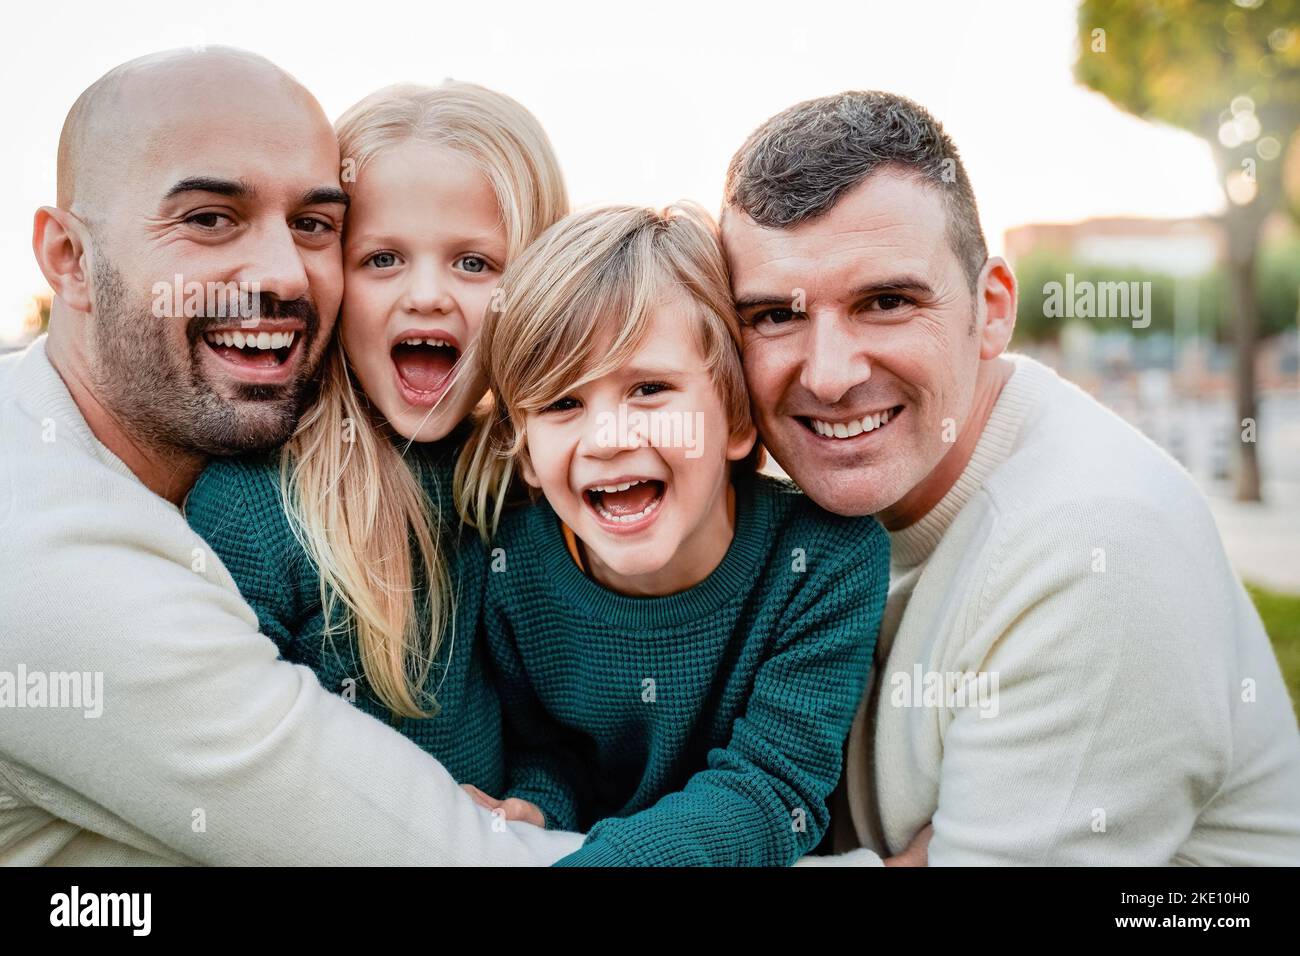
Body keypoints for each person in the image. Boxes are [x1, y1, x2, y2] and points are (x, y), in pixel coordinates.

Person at [0, 47, 581, 865]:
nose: (284, 276)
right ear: (69, 259)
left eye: (313, 226)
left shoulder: (493, 483)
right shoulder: (46, 567)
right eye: (208, 217)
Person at [720, 90, 1300, 865]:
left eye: (887, 302)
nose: (828, 376)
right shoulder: (777, 524)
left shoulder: (1096, 547)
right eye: (773, 316)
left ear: (992, 309)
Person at [456, 203, 890, 865]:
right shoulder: (514, 568)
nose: (608, 438)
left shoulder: (824, 560)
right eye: (563, 403)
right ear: (526, 454)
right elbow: (554, 753)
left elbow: (771, 791)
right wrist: (538, 805)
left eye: (650, 389)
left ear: (739, 423)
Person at [186, 81, 569, 800]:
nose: (426, 295)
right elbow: (231, 770)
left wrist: (537, 807)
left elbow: (556, 733)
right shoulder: (256, 510)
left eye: (474, 263)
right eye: (383, 260)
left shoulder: (528, 487)